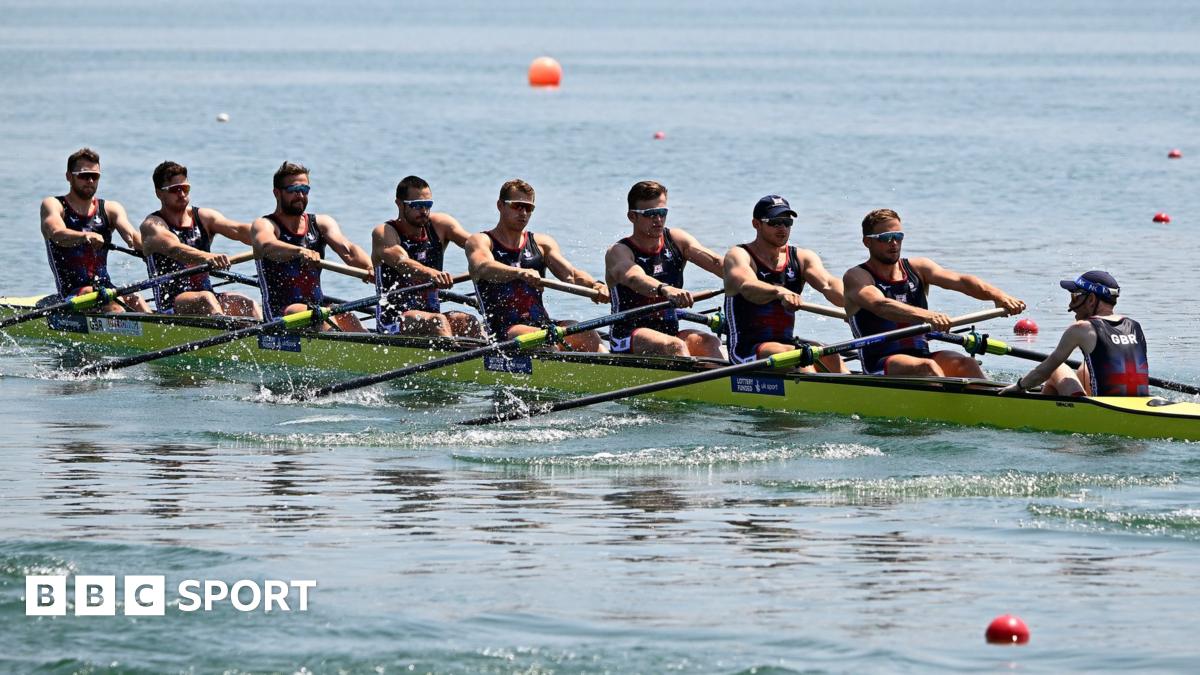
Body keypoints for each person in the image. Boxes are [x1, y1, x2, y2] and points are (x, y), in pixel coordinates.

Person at [843, 208, 1025, 377]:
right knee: (927, 368)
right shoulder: (857, 276)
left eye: (898, 236)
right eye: (885, 237)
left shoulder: (919, 268)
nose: (894, 243)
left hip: (922, 355)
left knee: (967, 364)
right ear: (867, 242)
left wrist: (998, 296)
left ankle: (991, 405)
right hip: (880, 364)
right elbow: (880, 305)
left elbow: (962, 281)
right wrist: (929, 316)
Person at [465, 179, 610, 352]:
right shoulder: (482, 241)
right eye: (517, 206)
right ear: (500, 205)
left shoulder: (541, 244)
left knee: (588, 335)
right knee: (546, 343)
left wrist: (596, 285)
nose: (523, 212)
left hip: (542, 326)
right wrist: (519, 273)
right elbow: (482, 267)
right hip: (504, 331)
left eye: (528, 208)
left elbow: (571, 274)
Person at [724, 195, 849, 373]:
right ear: (756, 224)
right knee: (798, 359)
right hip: (746, 351)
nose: (782, 228)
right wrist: (779, 292)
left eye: (787, 222)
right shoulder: (739, 255)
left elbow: (829, 284)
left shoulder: (802, 257)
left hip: (785, 345)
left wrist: (856, 303)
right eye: (775, 222)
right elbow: (747, 286)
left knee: (829, 354)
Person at [604, 180, 723, 358]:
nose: (658, 220)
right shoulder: (619, 251)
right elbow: (634, 278)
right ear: (632, 217)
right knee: (675, 346)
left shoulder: (676, 239)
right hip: (627, 336)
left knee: (710, 342)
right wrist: (665, 289)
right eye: (650, 214)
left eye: (662, 212)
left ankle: (722, 385)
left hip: (669, 333)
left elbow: (716, 263)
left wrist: (751, 279)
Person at [251, 161, 374, 332]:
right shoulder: (265, 225)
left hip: (316, 309)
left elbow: (349, 250)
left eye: (304, 190)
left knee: (347, 316)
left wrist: (370, 268)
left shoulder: (321, 223)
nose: (300, 195)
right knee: (317, 316)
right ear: (277, 193)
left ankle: (372, 352)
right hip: (280, 315)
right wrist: (299, 251)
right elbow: (266, 245)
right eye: (293, 190)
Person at [140, 161, 260, 319]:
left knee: (247, 303)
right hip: (172, 305)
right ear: (159, 193)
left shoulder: (204, 217)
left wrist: (270, 238)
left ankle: (265, 340)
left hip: (208, 298)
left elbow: (239, 230)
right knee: (206, 298)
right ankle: (228, 336)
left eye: (185, 188)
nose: (182, 194)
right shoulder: (152, 225)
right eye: (175, 190)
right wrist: (209, 257)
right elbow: (174, 249)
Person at [999, 271, 1148, 396]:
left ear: (1091, 299)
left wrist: (1018, 386)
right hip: (1137, 405)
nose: (1071, 305)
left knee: (1057, 368)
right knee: (1084, 368)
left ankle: (1050, 417)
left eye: (1075, 297)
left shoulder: (1081, 328)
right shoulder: (1135, 326)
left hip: (1103, 412)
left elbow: (1043, 372)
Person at [40, 147, 150, 312]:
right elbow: (56, 234)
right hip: (72, 296)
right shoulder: (54, 205)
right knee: (112, 302)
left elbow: (132, 237)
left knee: (136, 299)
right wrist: (86, 236)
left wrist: (157, 250)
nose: (90, 181)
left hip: (105, 290)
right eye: (84, 176)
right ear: (69, 177)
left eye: (95, 176)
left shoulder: (110, 208)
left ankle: (161, 332)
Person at [370, 175, 481, 338]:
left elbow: (475, 245)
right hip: (394, 322)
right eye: (417, 206)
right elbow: (402, 263)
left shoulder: (440, 225)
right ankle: (453, 358)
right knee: (437, 322)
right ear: (399, 204)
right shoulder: (384, 233)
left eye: (428, 205)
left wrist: (492, 262)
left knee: (468, 321)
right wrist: (432, 273)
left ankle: (480, 362)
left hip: (433, 316)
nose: (424, 211)